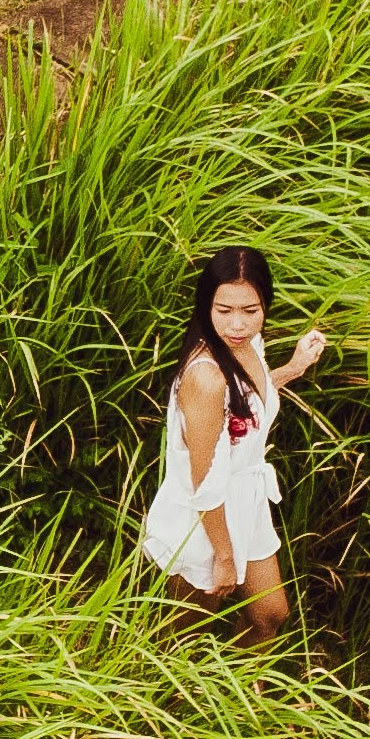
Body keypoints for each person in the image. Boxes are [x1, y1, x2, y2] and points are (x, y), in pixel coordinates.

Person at [141, 246, 325, 637]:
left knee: (270, 615)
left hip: (247, 503)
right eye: (224, 311)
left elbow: (248, 402)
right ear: (206, 306)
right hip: (201, 517)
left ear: (265, 305)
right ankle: (180, 696)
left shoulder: (246, 346)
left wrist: (294, 367)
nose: (238, 324)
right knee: (188, 632)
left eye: (251, 310)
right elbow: (204, 482)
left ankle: (246, 689)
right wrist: (224, 557)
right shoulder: (205, 377)